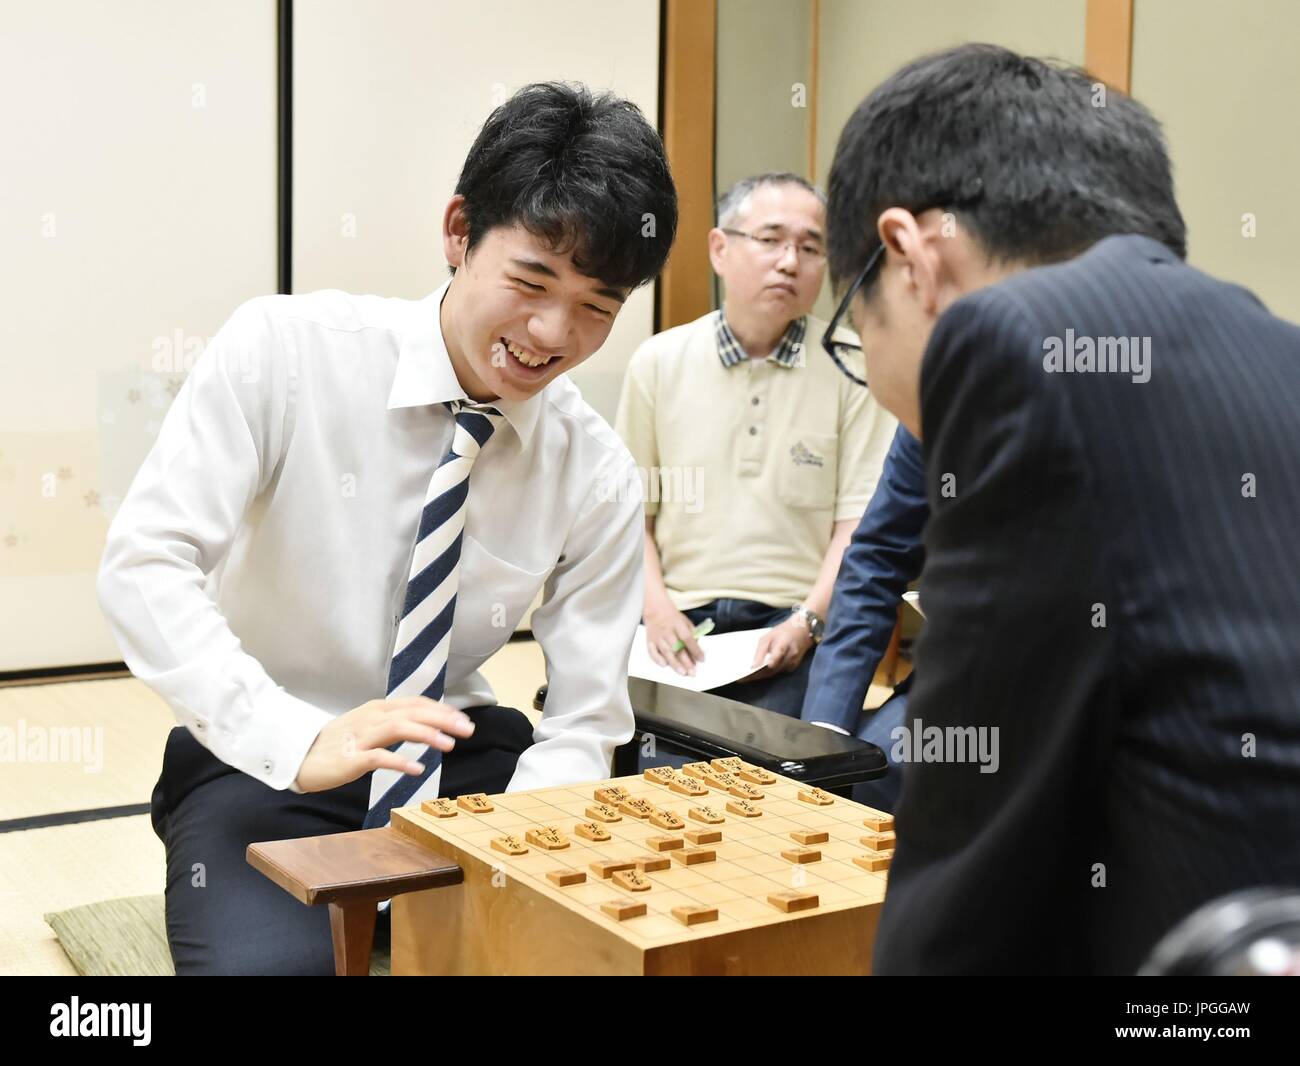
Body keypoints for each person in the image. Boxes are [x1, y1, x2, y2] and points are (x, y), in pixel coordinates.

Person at [96, 82, 678, 974]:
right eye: (531, 280)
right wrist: (293, 737)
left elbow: (586, 716)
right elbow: (145, 567)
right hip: (267, 758)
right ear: (458, 232)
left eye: (598, 307)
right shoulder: (286, 351)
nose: (552, 332)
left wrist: (519, 862)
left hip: (458, 758)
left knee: (608, 951)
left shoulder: (592, 468)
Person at [823, 43, 1300, 974]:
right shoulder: (1274, 345)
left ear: (912, 255)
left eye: (854, 327)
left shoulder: (1011, 342)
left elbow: (970, 860)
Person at [615, 172, 895, 716]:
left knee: (784, 774)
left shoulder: (854, 366)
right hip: (681, 618)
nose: (790, 262)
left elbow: (857, 529)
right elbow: (632, 519)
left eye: (810, 247)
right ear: (720, 249)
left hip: (795, 624)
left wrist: (808, 622)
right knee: (664, 775)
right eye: (770, 240)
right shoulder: (658, 363)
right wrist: (657, 610)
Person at [800, 424, 926, 813]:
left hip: (1088, 671)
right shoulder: (929, 408)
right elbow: (878, 556)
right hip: (962, 671)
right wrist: (825, 728)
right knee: (871, 774)